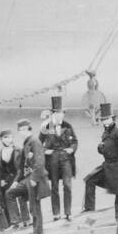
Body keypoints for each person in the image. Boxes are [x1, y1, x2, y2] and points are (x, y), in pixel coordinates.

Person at [83, 102, 118, 216]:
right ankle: (89, 210)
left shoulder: (117, 131)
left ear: (112, 119)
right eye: (103, 119)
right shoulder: (106, 131)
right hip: (108, 165)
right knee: (89, 180)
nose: (105, 121)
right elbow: (104, 147)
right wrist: (100, 148)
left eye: (107, 119)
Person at [41, 95, 79, 223]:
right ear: (52, 114)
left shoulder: (68, 126)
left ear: (63, 114)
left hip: (66, 158)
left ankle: (68, 212)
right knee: (55, 186)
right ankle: (56, 213)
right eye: (56, 113)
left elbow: (75, 141)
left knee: (67, 185)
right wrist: (45, 151)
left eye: (61, 113)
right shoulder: (46, 127)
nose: (59, 115)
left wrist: (72, 149)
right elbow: (37, 144)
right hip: (52, 160)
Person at [7, 117, 49, 234]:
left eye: (24, 129)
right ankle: (16, 221)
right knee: (9, 193)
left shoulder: (35, 141)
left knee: (34, 206)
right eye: (20, 130)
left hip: (35, 178)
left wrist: (34, 179)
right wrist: (16, 181)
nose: (22, 132)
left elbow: (40, 162)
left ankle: (38, 231)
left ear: (29, 129)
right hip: (26, 178)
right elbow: (21, 168)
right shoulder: (26, 144)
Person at [0, 128, 26, 230]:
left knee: (21, 198)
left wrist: (17, 180)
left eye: (10, 137)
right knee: (7, 198)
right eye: (5, 137)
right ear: (1, 139)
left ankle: (26, 220)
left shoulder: (18, 150)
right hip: (6, 180)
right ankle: (15, 222)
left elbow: (22, 167)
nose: (8, 139)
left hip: (18, 177)